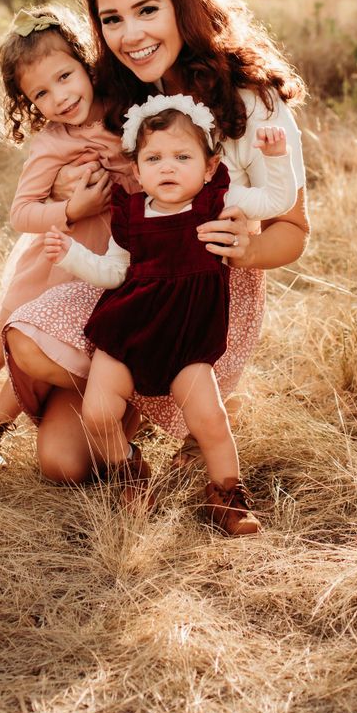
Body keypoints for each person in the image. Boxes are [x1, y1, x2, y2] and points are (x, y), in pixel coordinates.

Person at [4, 0, 308, 489]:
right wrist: (69, 195)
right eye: (112, 19)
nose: (130, 34)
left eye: (147, 9)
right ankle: (132, 397)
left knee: (67, 456)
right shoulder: (116, 96)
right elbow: (56, 173)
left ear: (183, 4)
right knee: (62, 459)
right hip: (126, 280)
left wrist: (248, 248)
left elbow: (292, 229)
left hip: (202, 295)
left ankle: (192, 406)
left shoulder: (248, 101)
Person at [45, 95, 297, 535]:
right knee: (99, 412)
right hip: (126, 333)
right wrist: (72, 255)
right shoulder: (130, 216)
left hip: (188, 339)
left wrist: (277, 157)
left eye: (182, 156)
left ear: (207, 165)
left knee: (211, 419)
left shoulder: (218, 200)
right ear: (137, 170)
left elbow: (277, 200)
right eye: (154, 158)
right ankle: (130, 473)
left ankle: (227, 495)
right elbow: (112, 273)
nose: (167, 167)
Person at [0, 5, 134, 477]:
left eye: (65, 77)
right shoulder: (52, 144)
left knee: (52, 353)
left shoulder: (127, 118)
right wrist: (70, 210)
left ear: (86, 63)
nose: (59, 97)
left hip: (102, 267)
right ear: (27, 102)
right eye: (41, 92)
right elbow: (22, 212)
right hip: (52, 265)